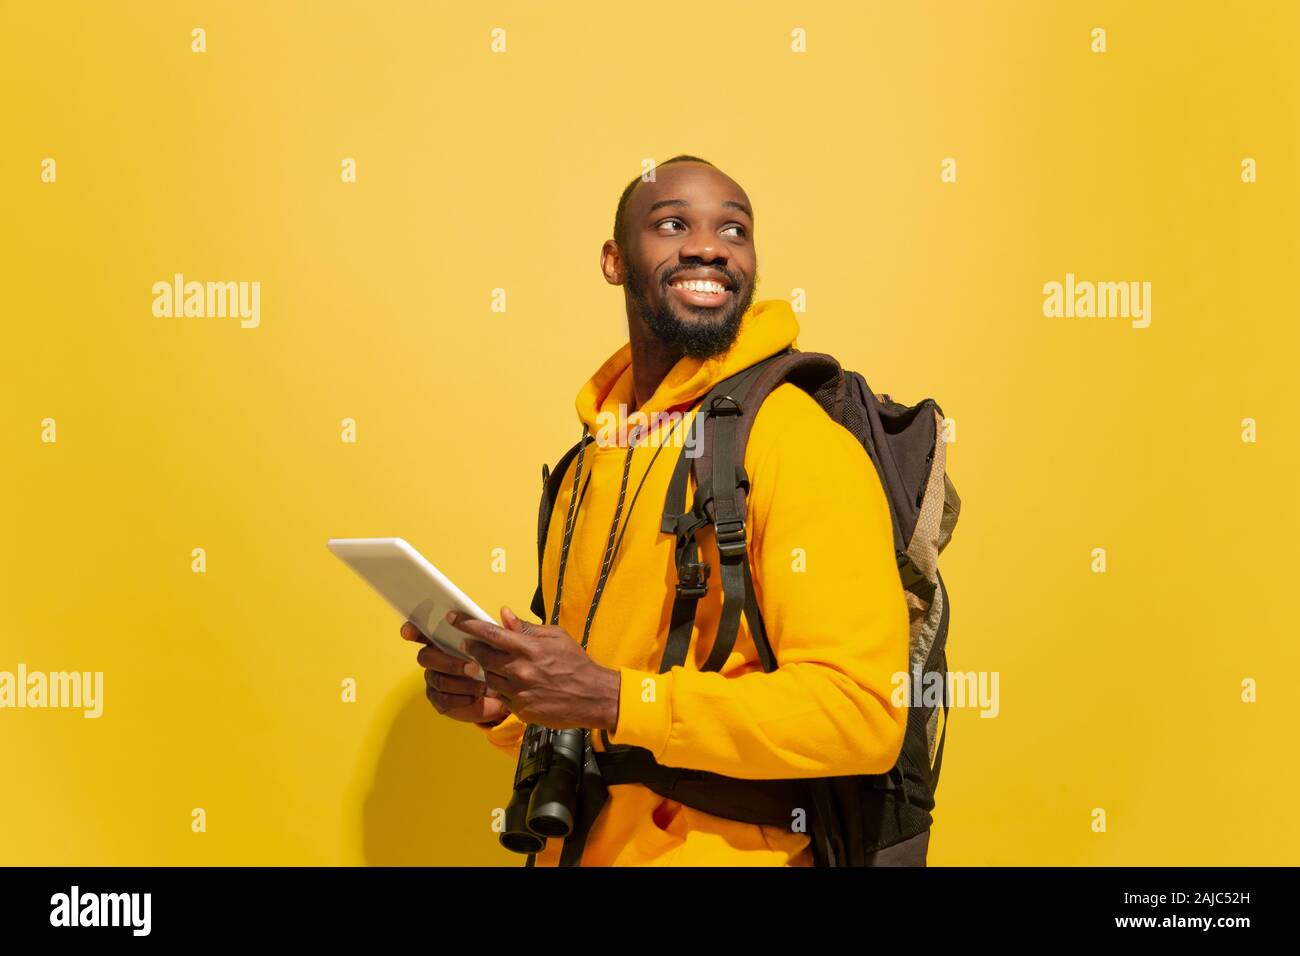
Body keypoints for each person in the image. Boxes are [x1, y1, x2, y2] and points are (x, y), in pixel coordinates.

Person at [403, 155, 911, 865]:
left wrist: (611, 698)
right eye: (672, 223)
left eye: (734, 230)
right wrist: (507, 702)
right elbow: (597, 704)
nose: (709, 245)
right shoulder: (590, 463)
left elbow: (865, 714)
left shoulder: (796, 443)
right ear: (614, 261)